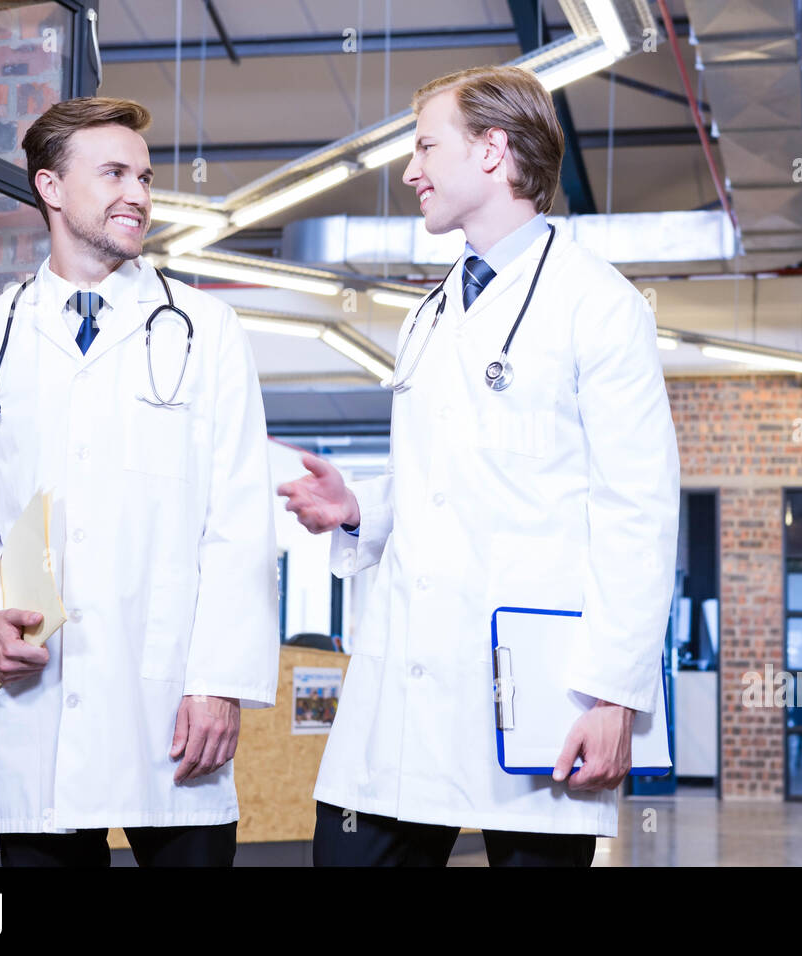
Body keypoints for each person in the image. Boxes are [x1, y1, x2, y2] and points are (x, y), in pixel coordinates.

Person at [279, 66, 680, 867]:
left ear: (493, 150)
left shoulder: (600, 304)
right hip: (404, 684)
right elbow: (452, 482)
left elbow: (638, 507)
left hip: (537, 689)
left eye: (427, 146)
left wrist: (615, 697)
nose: (411, 170)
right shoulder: (428, 316)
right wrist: (359, 506)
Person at [0, 97, 280, 867]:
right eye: (113, 173)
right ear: (50, 187)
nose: (138, 194)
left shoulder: (206, 335)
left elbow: (239, 520)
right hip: (38, 699)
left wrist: (219, 681)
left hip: (171, 704)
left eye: (144, 176)